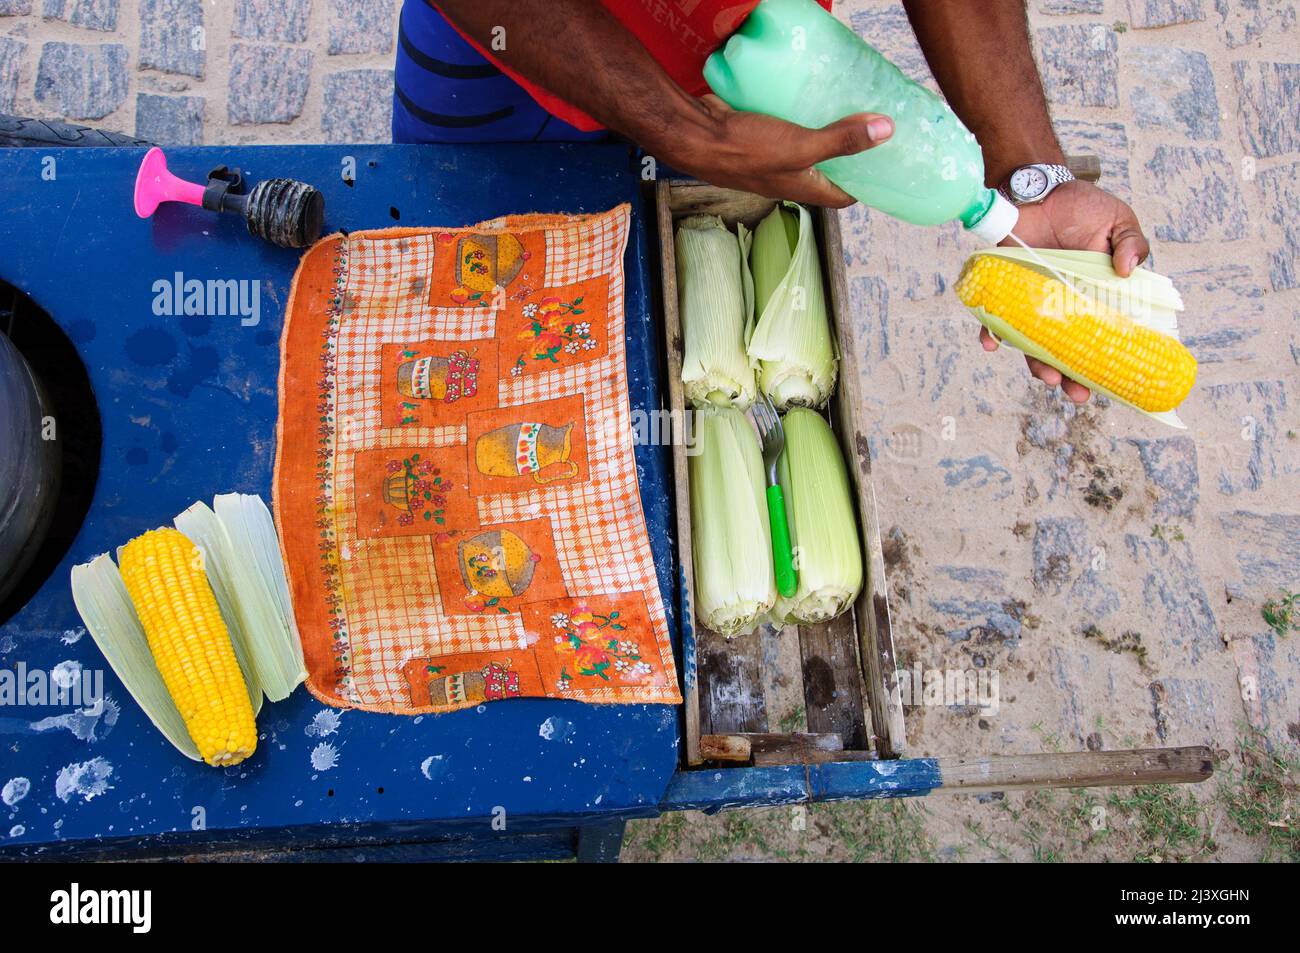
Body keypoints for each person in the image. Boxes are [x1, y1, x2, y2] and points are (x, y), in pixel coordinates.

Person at [393, 0, 1152, 404]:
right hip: (510, 57)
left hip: (761, 75)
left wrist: (1029, 181)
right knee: (460, 330)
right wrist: (681, 132)